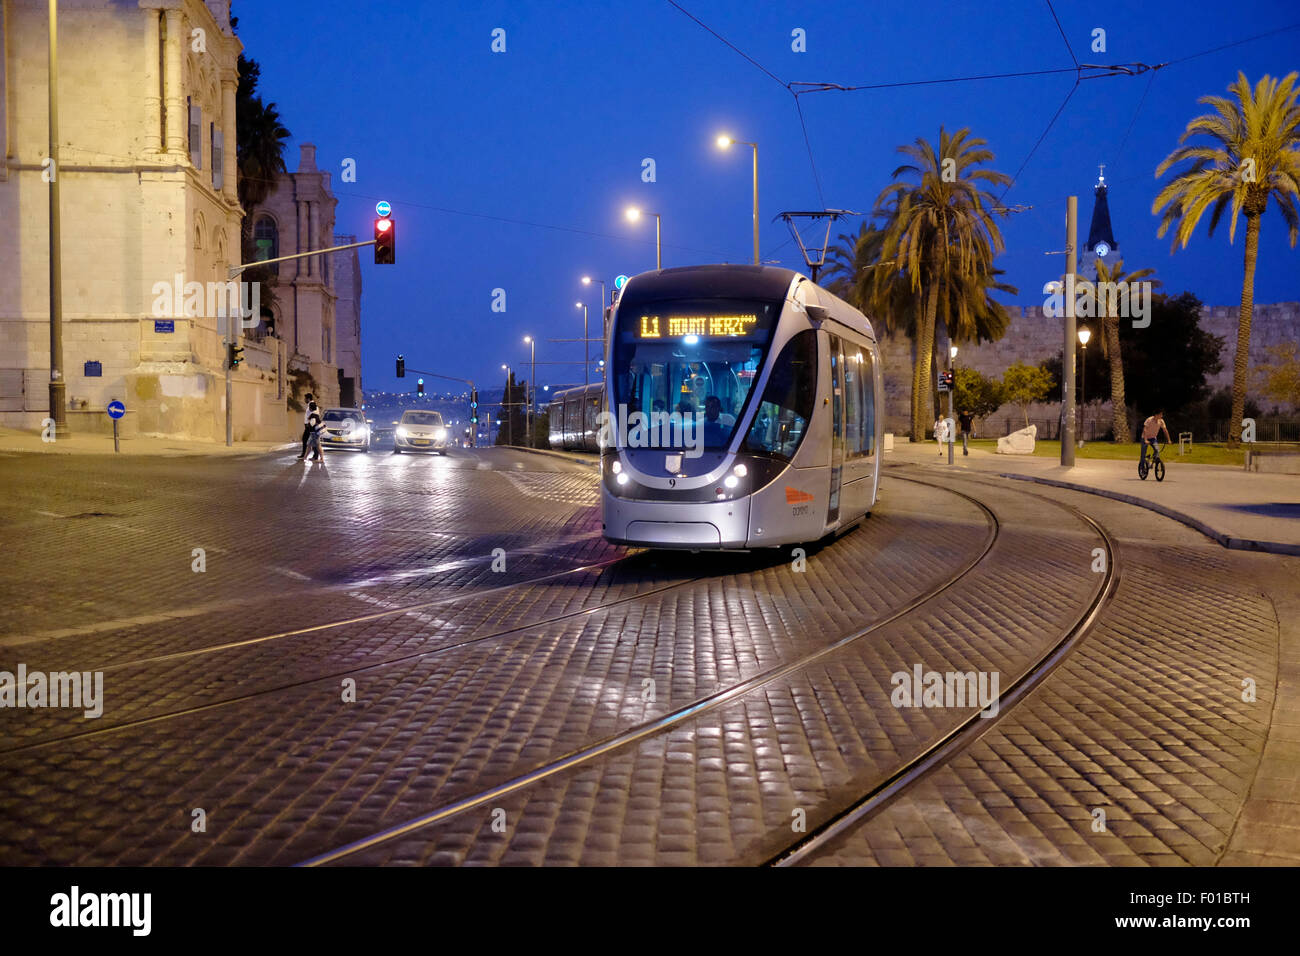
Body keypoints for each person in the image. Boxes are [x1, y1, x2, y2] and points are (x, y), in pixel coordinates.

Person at [297, 393, 316, 459]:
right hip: (308, 426)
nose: (304, 400)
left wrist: (309, 424)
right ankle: (312, 455)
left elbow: (314, 415)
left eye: (305, 398)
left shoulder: (311, 404)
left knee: (306, 439)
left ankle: (306, 455)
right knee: (309, 440)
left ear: (308, 399)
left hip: (309, 426)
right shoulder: (310, 404)